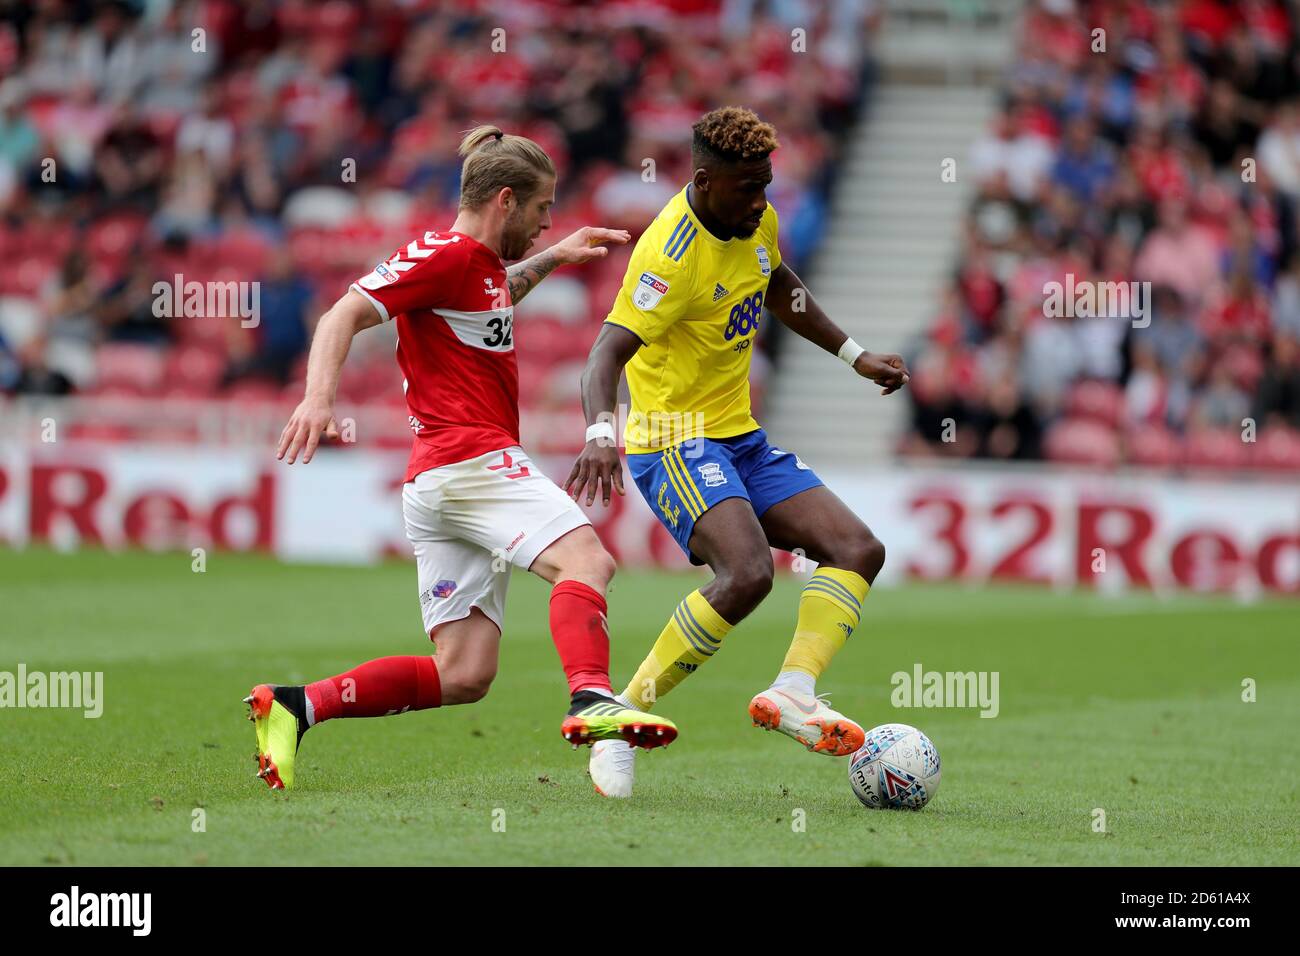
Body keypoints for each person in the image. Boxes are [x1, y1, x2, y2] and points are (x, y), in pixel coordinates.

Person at [248, 125, 676, 790]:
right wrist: (316, 399)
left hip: (439, 480)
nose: (546, 222)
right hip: (471, 460)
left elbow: (494, 295)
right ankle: (592, 700)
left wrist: (556, 256)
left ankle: (296, 706)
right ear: (505, 200)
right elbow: (341, 315)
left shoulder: (472, 267)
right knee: (588, 559)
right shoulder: (444, 255)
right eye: (541, 210)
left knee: (464, 674)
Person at [567, 107, 909, 798]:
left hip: (738, 436)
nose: (762, 201)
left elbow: (779, 284)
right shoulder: (670, 254)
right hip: (671, 440)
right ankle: (618, 719)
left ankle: (794, 691)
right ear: (703, 180)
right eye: (748, 188)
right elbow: (604, 354)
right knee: (749, 571)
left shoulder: (756, 219)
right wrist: (601, 434)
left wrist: (854, 355)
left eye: (766, 185)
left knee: (857, 548)